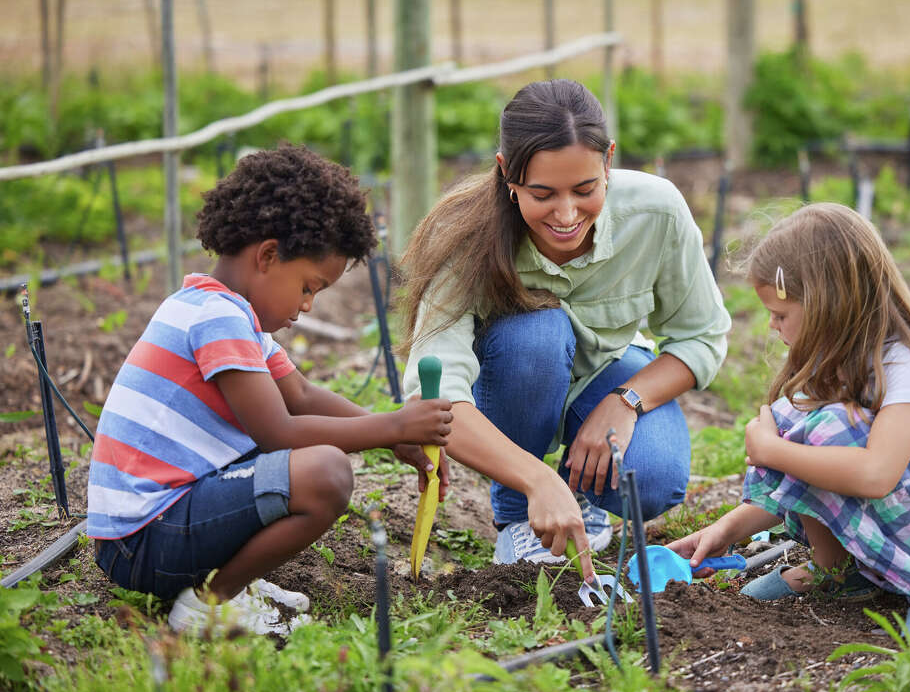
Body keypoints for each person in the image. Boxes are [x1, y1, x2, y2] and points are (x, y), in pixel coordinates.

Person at [88, 144, 453, 635]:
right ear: (268, 255)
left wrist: (395, 436)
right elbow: (279, 431)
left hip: (148, 532)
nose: (307, 306)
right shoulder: (218, 318)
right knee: (325, 474)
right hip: (144, 540)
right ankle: (210, 604)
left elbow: (300, 396)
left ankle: (225, 585)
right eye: (308, 287)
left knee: (291, 460)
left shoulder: (221, 310)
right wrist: (392, 425)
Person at [398, 79, 730, 582]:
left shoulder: (655, 211)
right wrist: (535, 480)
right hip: (518, 377)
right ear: (507, 172)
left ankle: (578, 495)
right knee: (537, 335)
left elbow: (701, 336)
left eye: (585, 189)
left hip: (610, 369)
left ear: (608, 161)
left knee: (652, 479)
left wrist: (625, 401)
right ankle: (520, 515)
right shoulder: (465, 237)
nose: (568, 214)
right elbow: (436, 397)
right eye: (543, 194)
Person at [667, 202, 910, 635]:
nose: (772, 326)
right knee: (797, 422)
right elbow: (807, 472)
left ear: (828, 306)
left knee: (819, 433)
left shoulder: (909, 364)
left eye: (781, 315)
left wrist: (772, 450)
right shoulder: (836, 360)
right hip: (905, 505)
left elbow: (876, 475)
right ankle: (839, 573)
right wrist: (727, 529)